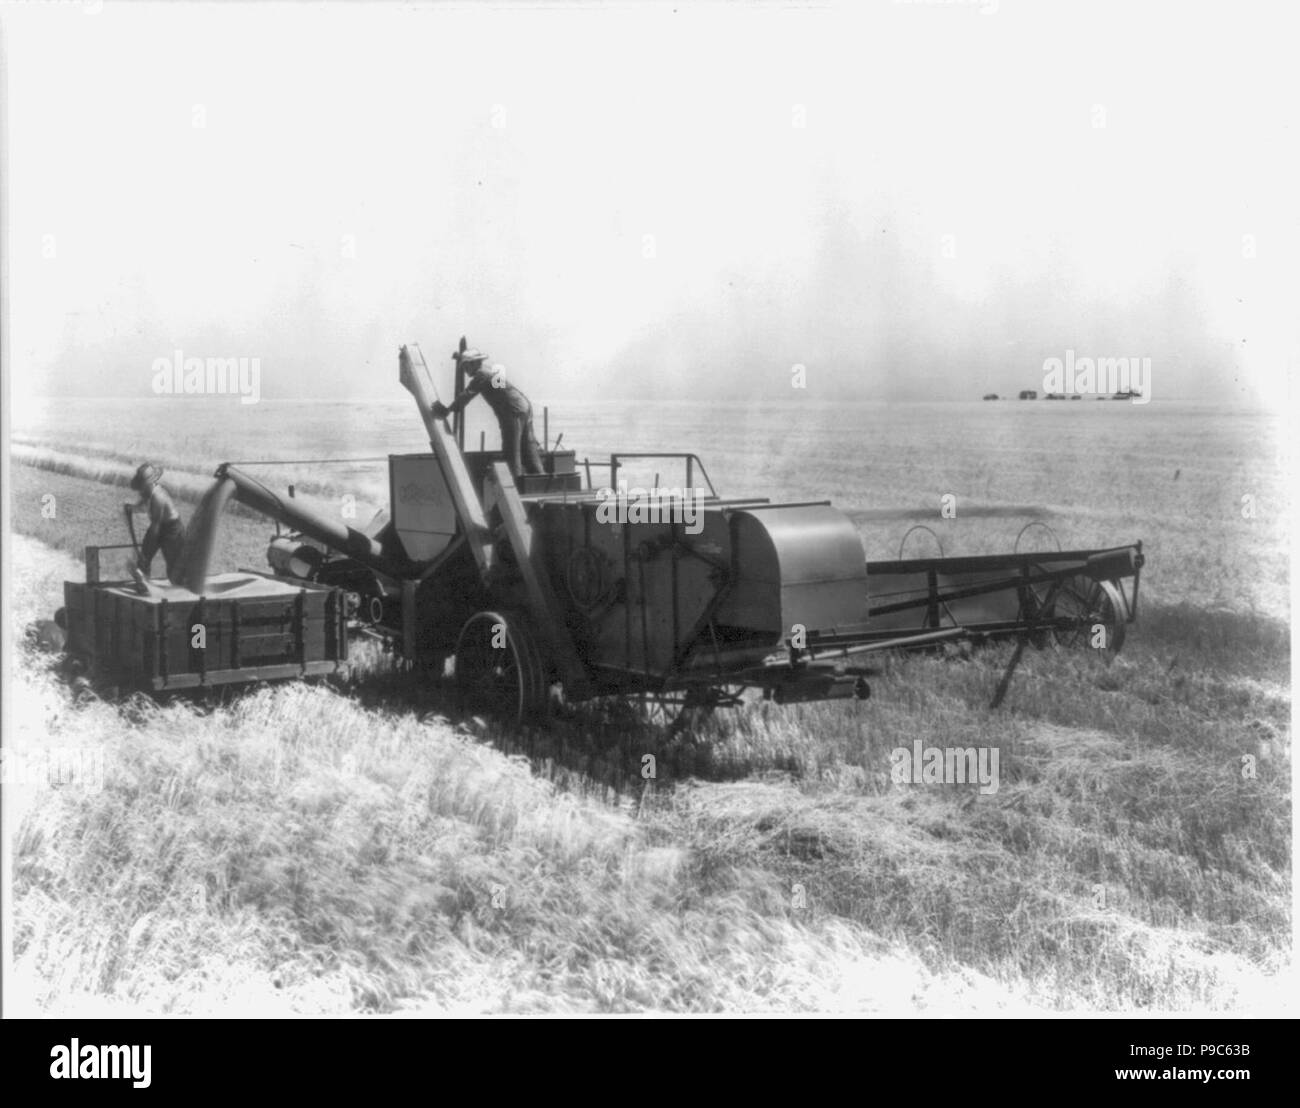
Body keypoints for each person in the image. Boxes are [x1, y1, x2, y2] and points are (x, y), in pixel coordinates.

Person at [431, 348, 544, 477]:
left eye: (466, 366)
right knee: (528, 449)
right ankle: (539, 478)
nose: (464, 370)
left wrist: (447, 410)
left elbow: (468, 394)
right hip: (524, 407)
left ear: (474, 363)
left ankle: (515, 485)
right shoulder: (489, 371)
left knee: (511, 451)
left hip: (512, 411)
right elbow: (501, 391)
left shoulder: (482, 374)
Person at [128, 463, 186, 582]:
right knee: (143, 560)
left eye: (142, 485)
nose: (140, 489)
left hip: (172, 530)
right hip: (159, 525)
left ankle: (179, 588)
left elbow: (155, 528)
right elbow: (143, 506)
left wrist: (148, 546)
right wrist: (131, 508)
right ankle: (143, 583)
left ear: (149, 483)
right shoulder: (146, 492)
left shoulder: (158, 497)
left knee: (173, 567)